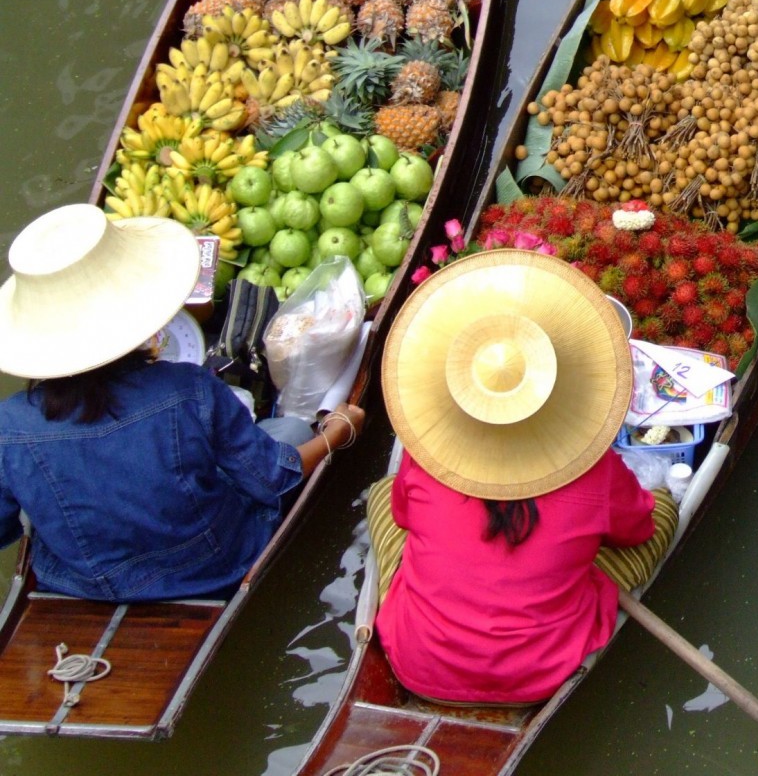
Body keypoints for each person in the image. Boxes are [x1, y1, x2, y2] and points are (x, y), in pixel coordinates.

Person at [0, 204, 365, 602]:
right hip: (211, 569)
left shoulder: (9, 424)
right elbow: (269, 479)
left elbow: (5, 529)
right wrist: (336, 434)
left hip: (80, 586)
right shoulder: (187, 389)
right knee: (293, 429)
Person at [371, 249, 677, 704]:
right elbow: (638, 531)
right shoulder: (594, 473)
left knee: (383, 494)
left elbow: (402, 515)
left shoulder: (427, 458)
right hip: (542, 673)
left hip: (418, 661)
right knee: (663, 509)